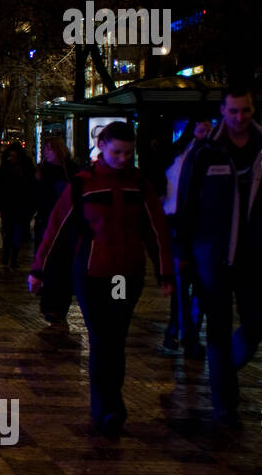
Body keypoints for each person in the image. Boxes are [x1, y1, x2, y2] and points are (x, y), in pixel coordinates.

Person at [28, 121, 174, 439]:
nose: (123, 158)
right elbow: (56, 227)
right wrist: (39, 269)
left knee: (115, 339)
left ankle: (112, 405)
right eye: (117, 152)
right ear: (103, 147)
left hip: (126, 275)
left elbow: (157, 230)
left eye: (128, 153)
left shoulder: (139, 183)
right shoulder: (83, 184)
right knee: (101, 339)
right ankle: (104, 408)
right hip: (92, 273)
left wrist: (165, 273)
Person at [177, 88, 262, 430]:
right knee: (218, 328)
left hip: (255, 253)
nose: (240, 118)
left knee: (259, 321)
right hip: (212, 253)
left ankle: (223, 369)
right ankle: (225, 405)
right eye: (233, 111)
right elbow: (187, 205)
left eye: (246, 111)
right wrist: (184, 253)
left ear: (253, 110)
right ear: (222, 111)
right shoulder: (205, 151)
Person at [161, 119, 212, 357]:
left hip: (197, 228)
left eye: (208, 130)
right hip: (178, 225)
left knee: (196, 286)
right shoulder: (181, 156)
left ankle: (180, 331)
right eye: (201, 130)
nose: (205, 135)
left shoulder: (207, 155)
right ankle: (183, 333)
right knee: (183, 284)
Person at [33, 136, 76, 323]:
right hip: (46, 223)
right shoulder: (42, 171)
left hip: (67, 226)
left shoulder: (72, 172)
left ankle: (59, 305)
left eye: (50, 149)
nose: (46, 153)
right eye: (45, 149)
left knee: (64, 265)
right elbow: (34, 196)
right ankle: (49, 302)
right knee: (47, 261)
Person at [0, 142, 36, 269]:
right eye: (11, 155)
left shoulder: (23, 167)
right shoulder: (7, 165)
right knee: (9, 231)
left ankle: (12, 257)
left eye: (14, 155)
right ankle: (8, 255)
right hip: (9, 204)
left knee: (15, 232)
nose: (12, 157)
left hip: (19, 204)